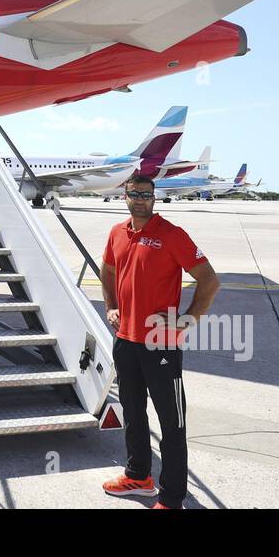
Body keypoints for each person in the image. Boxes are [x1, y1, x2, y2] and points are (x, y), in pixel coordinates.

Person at [100, 173, 220, 509]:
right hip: (125, 340)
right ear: (125, 196)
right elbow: (107, 270)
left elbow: (209, 280)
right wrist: (111, 306)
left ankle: (171, 498)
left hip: (160, 343)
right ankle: (138, 475)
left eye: (146, 194)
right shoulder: (117, 232)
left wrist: (187, 319)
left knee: (171, 422)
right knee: (134, 412)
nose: (139, 199)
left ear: (155, 198)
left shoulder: (172, 235)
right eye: (134, 194)